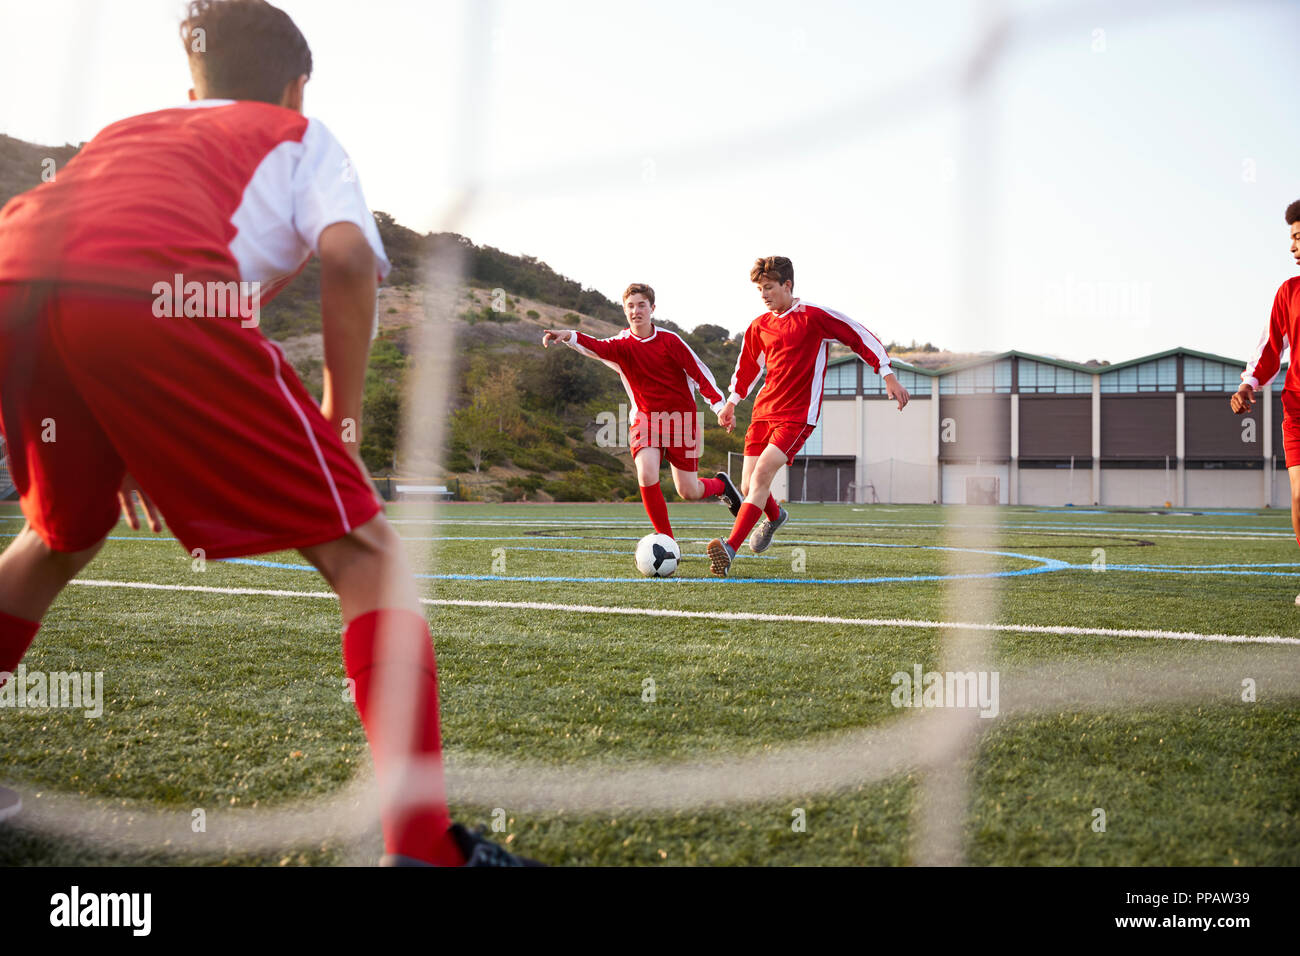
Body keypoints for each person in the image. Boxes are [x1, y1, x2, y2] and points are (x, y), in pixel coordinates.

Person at [0, 0, 530, 866]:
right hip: (147, 291)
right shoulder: (298, 135)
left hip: (14, 277)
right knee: (369, 558)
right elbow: (350, 258)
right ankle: (427, 851)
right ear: (298, 87)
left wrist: (121, 420)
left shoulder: (129, 129)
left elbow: (82, 256)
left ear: (191, 85)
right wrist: (342, 419)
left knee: (55, 539)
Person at [707, 256, 909, 576]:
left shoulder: (814, 317)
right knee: (748, 485)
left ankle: (729, 549)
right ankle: (775, 518)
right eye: (760, 289)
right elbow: (748, 367)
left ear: (788, 285)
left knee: (760, 478)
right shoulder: (759, 326)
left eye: (769, 287)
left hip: (797, 416)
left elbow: (858, 336)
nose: (764, 294)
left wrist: (886, 373)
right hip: (762, 413)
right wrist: (732, 402)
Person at [542, 283, 742, 539]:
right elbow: (595, 346)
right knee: (646, 473)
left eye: (641, 305)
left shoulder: (670, 341)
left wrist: (719, 407)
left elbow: (699, 373)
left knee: (688, 491)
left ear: (652, 308)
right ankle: (667, 541)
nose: (636, 311)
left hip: (682, 421)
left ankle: (721, 485)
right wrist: (568, 335)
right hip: (645, 421)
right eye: (630, 306)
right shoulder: (621, 345)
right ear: (625, 311)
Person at [1231, 199, 1300, 603]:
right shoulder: (1289, 292)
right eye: (1291, 239)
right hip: (1297, 407)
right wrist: (1248, 385)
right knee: (1298, 495)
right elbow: (1271, 347)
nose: (1293, 247)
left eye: (1298, 237)